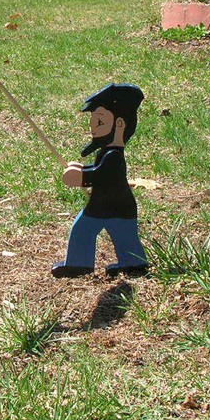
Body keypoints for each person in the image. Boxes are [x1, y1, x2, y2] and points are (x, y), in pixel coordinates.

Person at [52, 83, 148, 279]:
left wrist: (80, 177)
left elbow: (104, 175)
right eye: (93, 122)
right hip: (115, 206)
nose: (93, 128)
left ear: (119, 125)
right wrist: (81, 169)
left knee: (83, 231)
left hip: (109, 206)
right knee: (123, 237)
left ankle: (80, 264)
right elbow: (99, 172)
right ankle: (133, 263)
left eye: (100, 122)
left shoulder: (113, 156)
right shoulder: (109, 152)